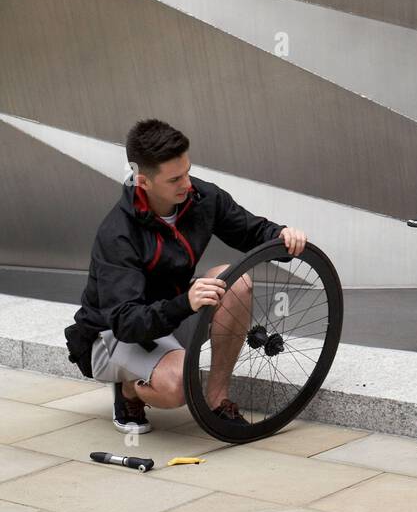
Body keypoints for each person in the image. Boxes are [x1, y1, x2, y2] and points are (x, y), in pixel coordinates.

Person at [64, 118, 307, 434]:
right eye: (175, 179)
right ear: (143, 181)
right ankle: (129, 391)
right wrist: (185, 304)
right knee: (179, 386)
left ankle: (218, 401)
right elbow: (126, 321)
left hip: (170, 312)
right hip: (113, 334)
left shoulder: (201, 198)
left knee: (235, 282)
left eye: (187, 171)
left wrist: (283, 236)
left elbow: (251, 231)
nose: (187, 184)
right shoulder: (118, 234)